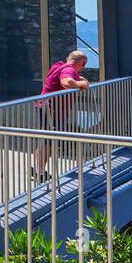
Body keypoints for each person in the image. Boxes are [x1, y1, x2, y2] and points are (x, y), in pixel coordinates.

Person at [32, 50, 91, 181]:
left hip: (47, 108)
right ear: (83, 64)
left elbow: (70, 77)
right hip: (52, 110)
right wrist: (80, 83)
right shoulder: (68, 69)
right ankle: (40, 173)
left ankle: (38, 169)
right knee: (49, 141)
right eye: (84, 65)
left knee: (46, 139)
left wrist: (79, 79)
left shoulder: (59, 65)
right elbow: (67, 82)